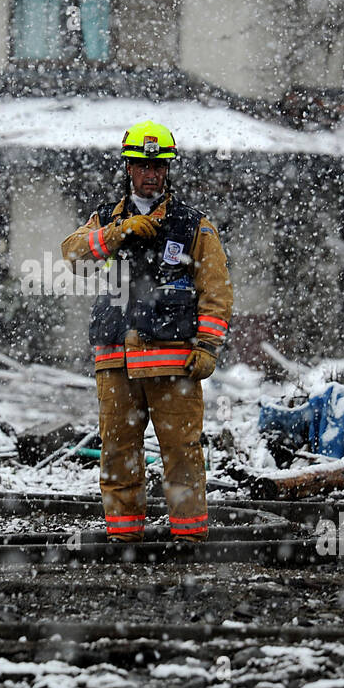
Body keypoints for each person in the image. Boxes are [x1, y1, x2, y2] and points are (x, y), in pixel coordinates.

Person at [61, 120, 233, 542]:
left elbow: (216, 288)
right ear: (128, 167)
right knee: (119, 455)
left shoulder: (192, 226)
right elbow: (74, 257)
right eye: (141, 165)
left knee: (182, 455)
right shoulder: (106, 218)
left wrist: (208, 345)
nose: (150, 173)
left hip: (173, 362)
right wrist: (119, 233)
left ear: (168, 168)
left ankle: (189, 541)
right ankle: (124, 541)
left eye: (158, 165)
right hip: (116, 359)